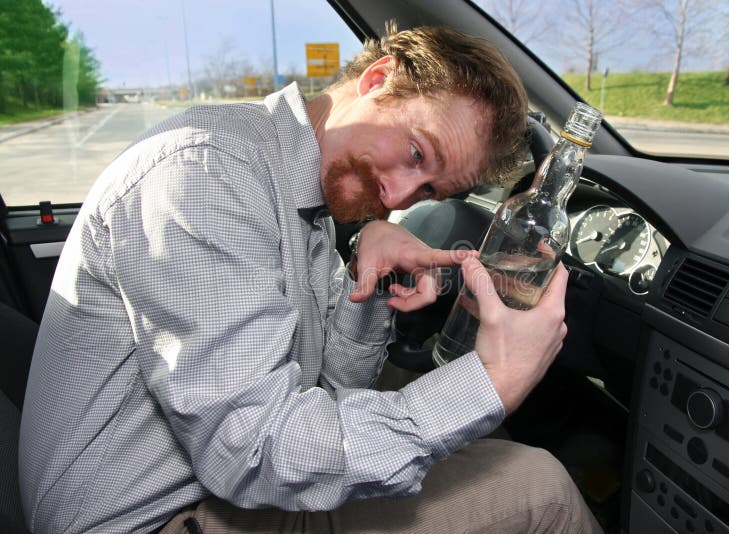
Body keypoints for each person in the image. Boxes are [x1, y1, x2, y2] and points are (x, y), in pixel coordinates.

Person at [19, 24, 602, 533]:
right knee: (539, 485)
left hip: (204, 489)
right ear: (378, 79)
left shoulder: (306, 191)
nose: (398, 198)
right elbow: (253, 450)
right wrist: (493, 381)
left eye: (428, 191)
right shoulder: (206, 173)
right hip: (153, 518)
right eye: (417, 154)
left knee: (478, 455)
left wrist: (363, 277)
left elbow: (332, 390)